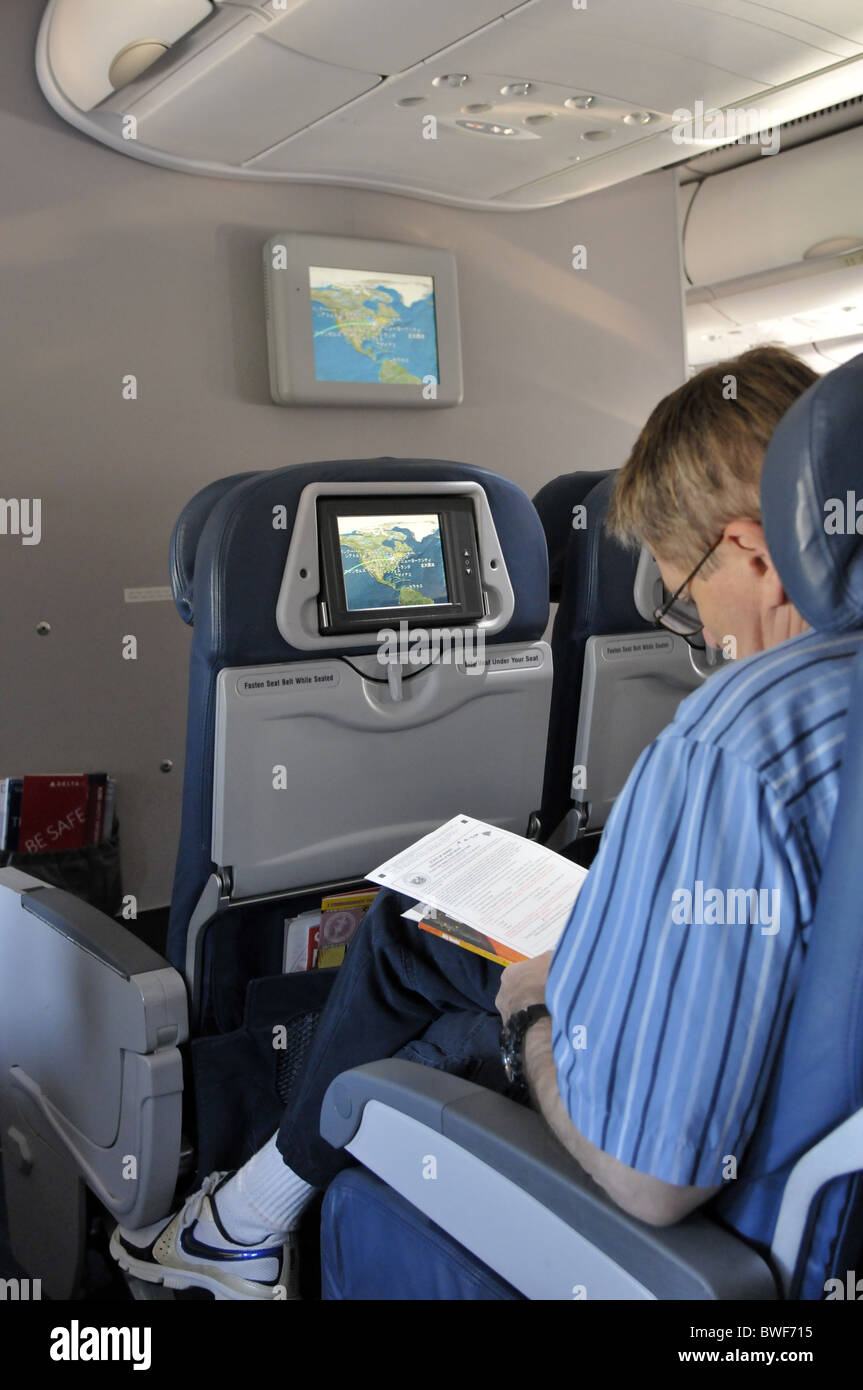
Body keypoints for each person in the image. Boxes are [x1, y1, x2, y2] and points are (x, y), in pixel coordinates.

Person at [112, 346, 862, 1299]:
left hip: (713, 1232)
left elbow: (651, 1175)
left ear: (757, 553)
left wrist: (534, 1015)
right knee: (411, 919)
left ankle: (246, 1221)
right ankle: (247, 1219)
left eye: (683, 597)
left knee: (429, 971)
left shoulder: (745, 743)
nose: (696, 638)